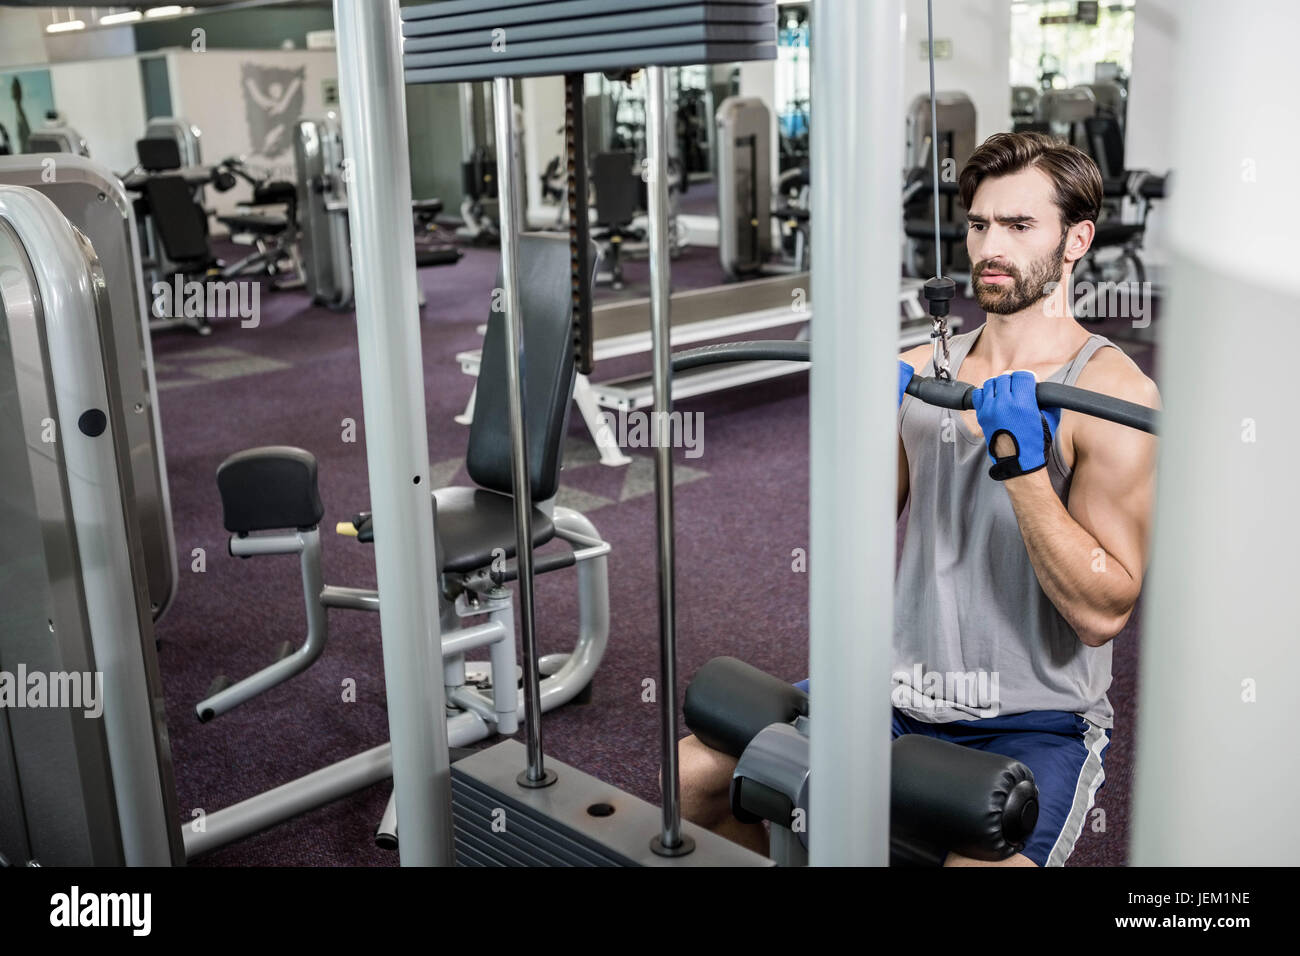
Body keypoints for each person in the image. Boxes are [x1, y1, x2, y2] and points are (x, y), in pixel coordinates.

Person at [677, 131, 1160, 866]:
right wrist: (863, 432)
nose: (990, 246)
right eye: (979, 224)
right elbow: (851, 548)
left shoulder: (1111, 393)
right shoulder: (920, 368)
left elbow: (1102, 614)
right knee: (694, 777)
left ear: (1076, 240)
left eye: (1019, 225)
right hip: (890, 694)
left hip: (1031, 721)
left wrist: (1024, 468)